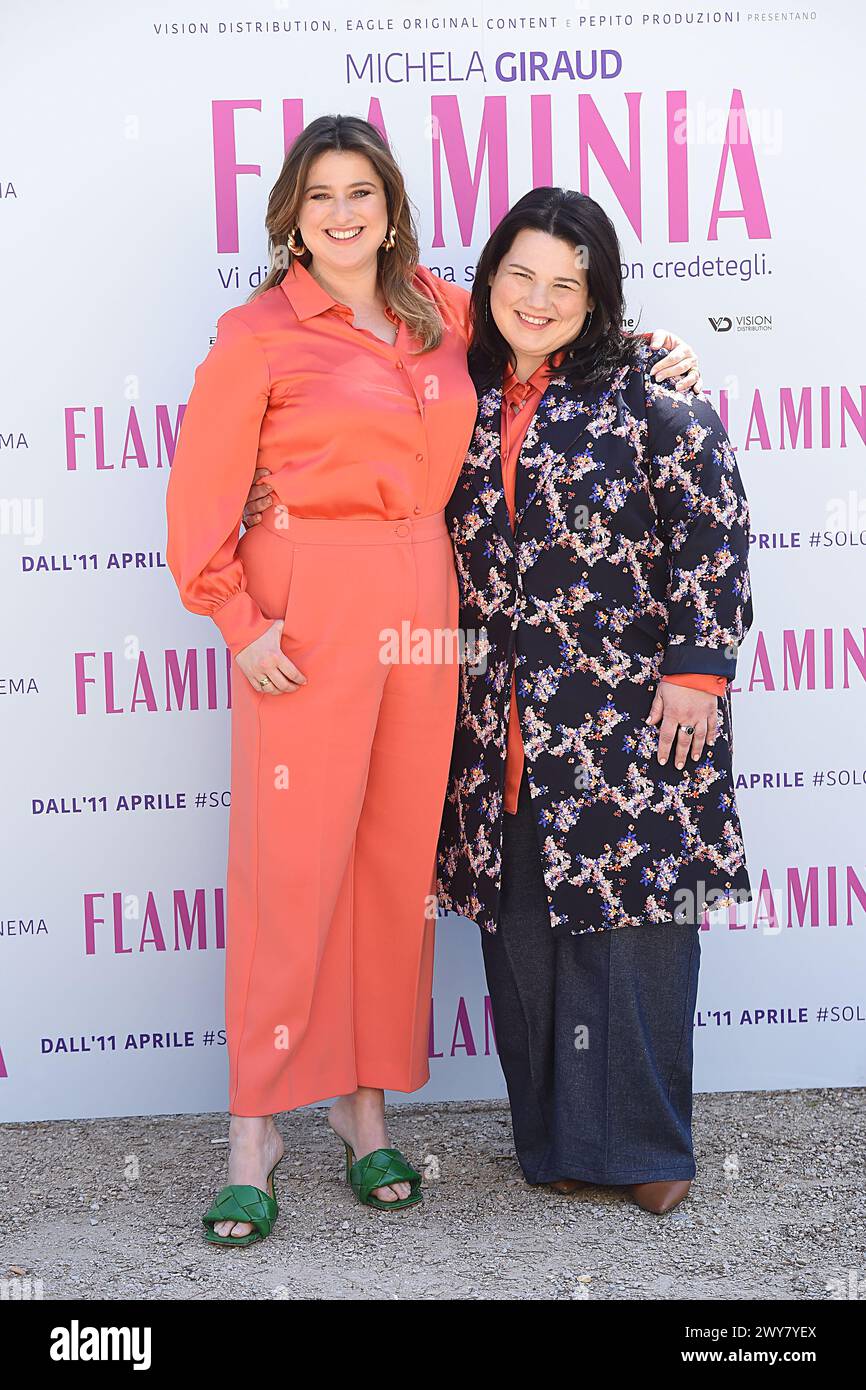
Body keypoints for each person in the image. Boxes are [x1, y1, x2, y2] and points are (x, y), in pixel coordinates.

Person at [175, 114, 702, 1244]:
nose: (343, 213)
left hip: (429, 607)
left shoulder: (438, 313)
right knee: (289, 876)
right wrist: (240, 617)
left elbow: (550, 328)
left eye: (360, 191)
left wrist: (659, 352)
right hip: (308, 616)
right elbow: (198, 504)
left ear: (390, 203)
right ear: (290, 215)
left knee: (390, 872)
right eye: (321, 196)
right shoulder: (254, 336)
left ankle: (364, 1119)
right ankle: (254, 1130)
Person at [436, 188, 753, 1214]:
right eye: (520, 275)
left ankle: (647, 1150)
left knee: (635, 937)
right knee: (524, 943)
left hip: (629, 718)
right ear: (488, 280)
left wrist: (695, 672)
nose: (537, 298)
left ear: (594, 295)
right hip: (501, 726)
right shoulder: (452, 393)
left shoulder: (647, 389)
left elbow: (712, 524)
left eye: (564, 283)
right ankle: (561, 1144)